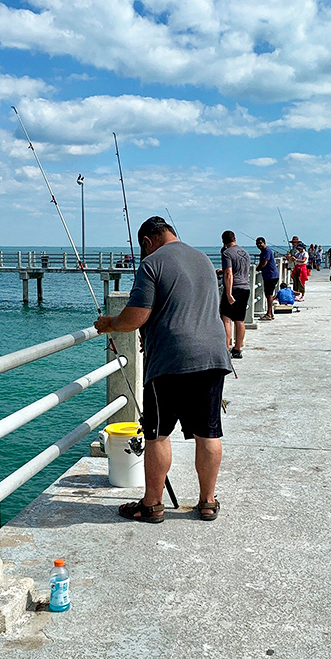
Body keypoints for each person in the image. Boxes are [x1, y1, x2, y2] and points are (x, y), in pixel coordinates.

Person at [94, 216, 232, 524]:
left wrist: (110, 324)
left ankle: (152, 504)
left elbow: (136, 316)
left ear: (147, 241)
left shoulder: (152, 263)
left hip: (171, 360)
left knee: (158, 434)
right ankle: (208, 502)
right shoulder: (203, 260)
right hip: (213, 355)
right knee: (208, 432)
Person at [219, 230, 250, 359]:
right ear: (235, 239)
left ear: (223, 241)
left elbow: (229, 273)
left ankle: (226, 348)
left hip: (234, 288)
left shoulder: (227, 253)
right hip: (245, 287)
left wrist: (229, 293)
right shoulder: (245, 253)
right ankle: (237, 349)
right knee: (240, 320)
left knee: (226, 318)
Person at [255, 236, 279, 320]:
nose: (259, 245)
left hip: (271, 276)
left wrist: (257, 269)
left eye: (260, 243)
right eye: (257, 244)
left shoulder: (267, 251)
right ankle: (270, 313)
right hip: (269, 276)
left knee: (269, 295)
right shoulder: (264, 252)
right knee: (268, 294)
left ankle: (269, 314)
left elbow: (264, 263)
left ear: (264, 243)